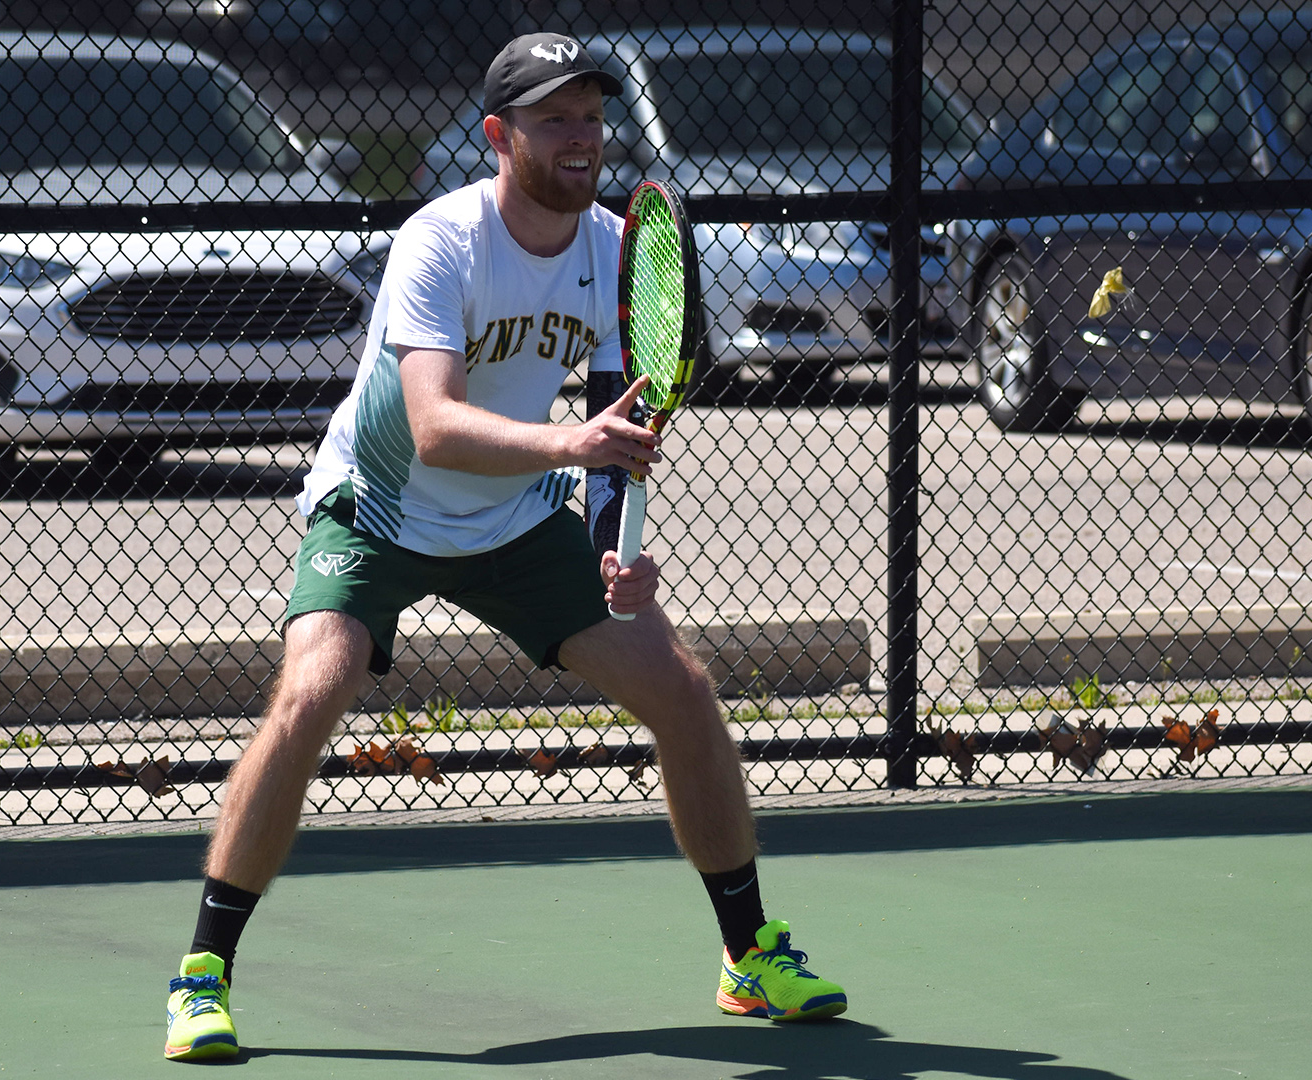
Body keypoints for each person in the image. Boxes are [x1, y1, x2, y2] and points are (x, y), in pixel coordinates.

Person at [163, 32, 847, 1062]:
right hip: (382, 506)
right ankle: (202, 973)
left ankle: (748, 955)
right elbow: (435, 424)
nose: (582, 139)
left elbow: (622, 425)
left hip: (522, 517)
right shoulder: (441, 241)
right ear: (500, 135)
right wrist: (574, 444)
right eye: (555, 120)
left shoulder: (617, 248)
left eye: (591, 117)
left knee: (681, 689)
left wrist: (614, 542)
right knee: (315, 688)